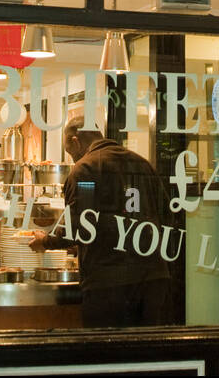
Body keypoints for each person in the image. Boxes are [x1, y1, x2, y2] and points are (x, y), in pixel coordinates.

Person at [30, 117, 172, 327]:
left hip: (109, 285)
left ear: (75, 141)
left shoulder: (84, 170)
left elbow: (78, 227)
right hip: (153, 279)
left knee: (107, 352)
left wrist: (45, 242)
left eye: (69, 151)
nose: (72, 159)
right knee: (146, 352)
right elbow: (166, 216)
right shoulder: (142, 164)